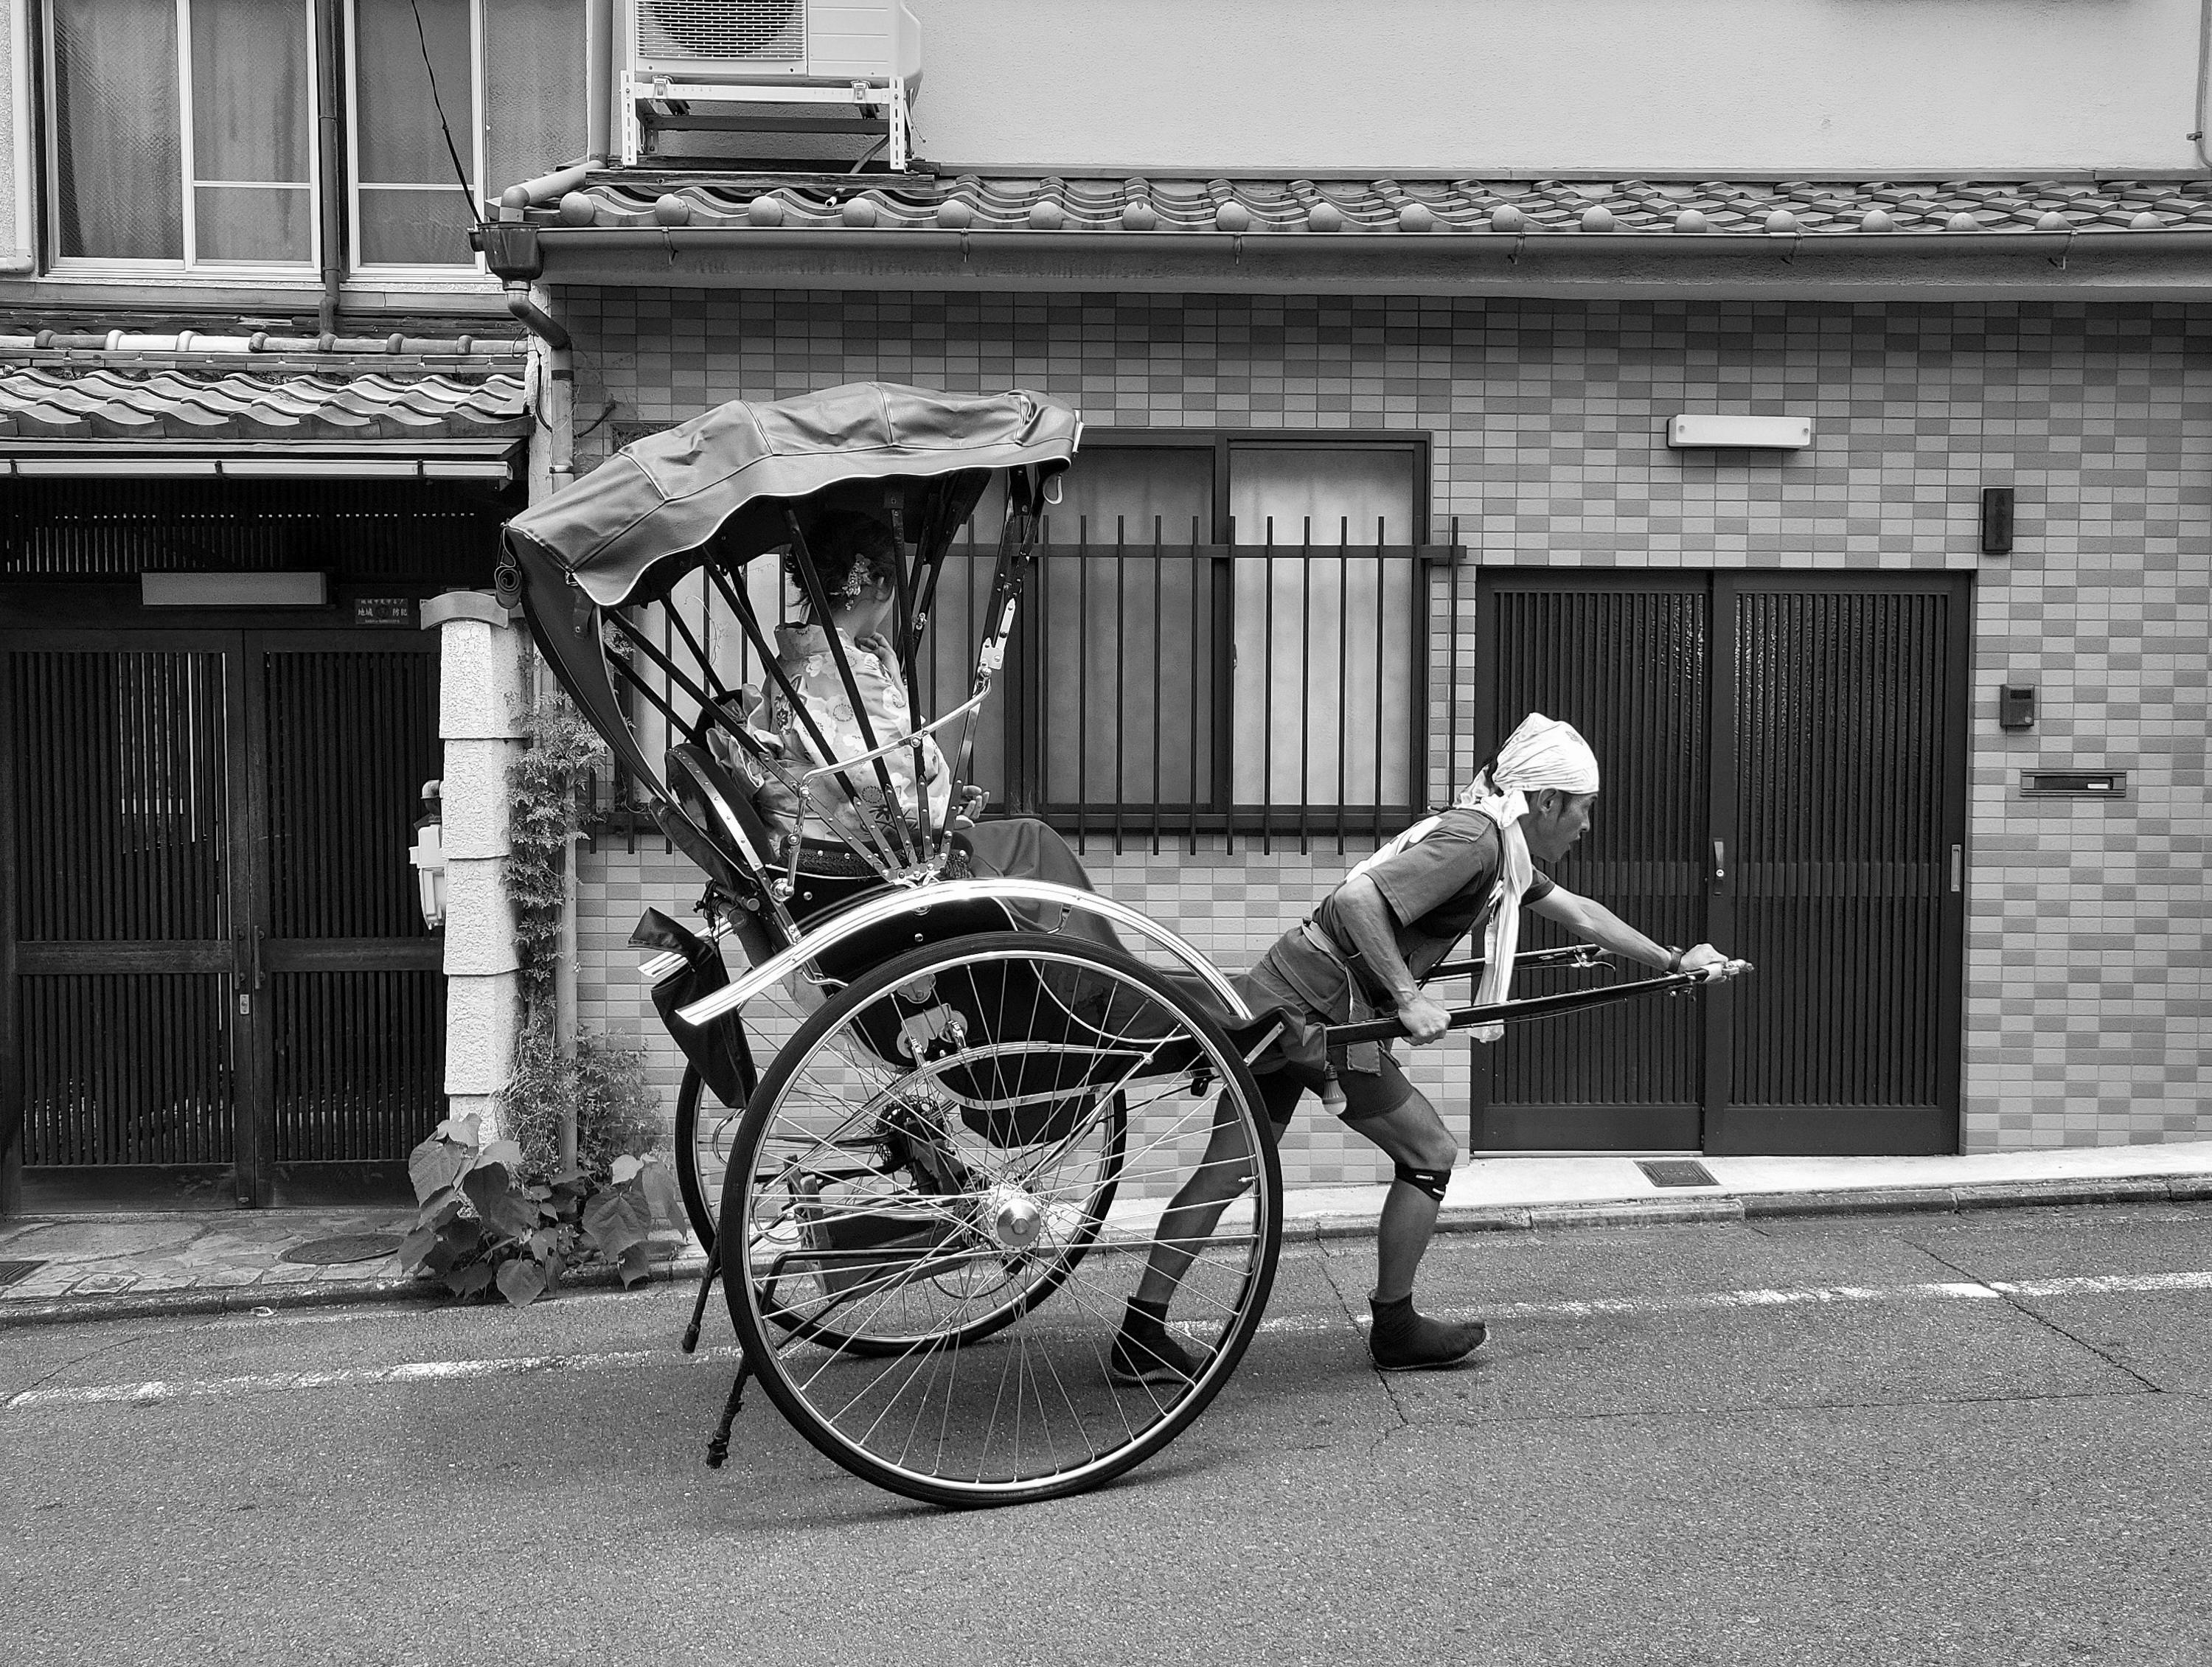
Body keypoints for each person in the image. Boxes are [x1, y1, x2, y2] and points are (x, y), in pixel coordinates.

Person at [1108, 712, 1731, 1384]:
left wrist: (1671, 959)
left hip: (1288, 990)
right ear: (1546, 801)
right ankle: (1396, 1326)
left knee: (1229, 1169)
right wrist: (1407, 995)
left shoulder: (1499, 846)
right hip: (1323, 1005)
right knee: (1429, 1149)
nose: (1586, 824)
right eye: (1582, 809)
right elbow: (1357, 900)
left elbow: (1580, 913)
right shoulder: (1477, 841)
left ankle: (1140, 1331)